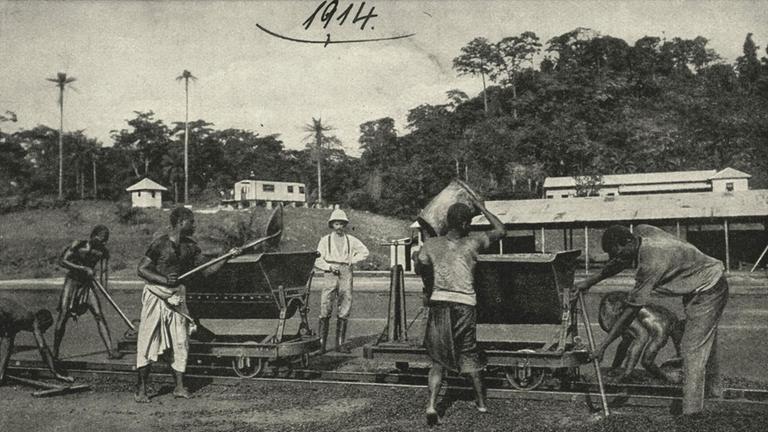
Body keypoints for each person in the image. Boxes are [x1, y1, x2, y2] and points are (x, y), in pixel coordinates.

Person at [574, 224, 728, 415]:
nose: (616, 259)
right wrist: (590, 282)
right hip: (699, 283)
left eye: (617, 253)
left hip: (709, 290)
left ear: (628, 241)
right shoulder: (642, 232)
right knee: (704, 345)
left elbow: (630, 311)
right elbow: (619, 261)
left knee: (691, 350)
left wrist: (603, 346)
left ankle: (692, 414)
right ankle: (713, 394)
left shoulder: (650, 264)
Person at [415, 197, 506, 425]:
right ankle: (482, 404)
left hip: (439, 304)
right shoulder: (473, 242)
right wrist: (482, 207)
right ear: (466, 224)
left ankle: (432, 405)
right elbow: (501, 230)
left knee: (438, 360)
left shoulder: (431, 244)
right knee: (469, 354)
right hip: (464, 305)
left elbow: (421, 265)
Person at [134, 207, 241, 403]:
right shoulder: (160, 244)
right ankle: (141, 391)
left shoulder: (191, 247)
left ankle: (179, 387)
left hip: (178, 297)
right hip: (156, 296)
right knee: (147, 342)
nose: (194, 225)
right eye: (192, 222)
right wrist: (164, 279)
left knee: (181, 342)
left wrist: (226, 257)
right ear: (182, 222)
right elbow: (141, 269)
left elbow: (206, 271)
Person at [54, 224, 122, 360]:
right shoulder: (79, 245)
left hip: (87, 284)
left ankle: (110, 351)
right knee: (64, 313)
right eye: (102, 239)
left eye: (106, 240)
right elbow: (62, 261)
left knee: (99, 314)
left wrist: (104, 288)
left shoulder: (103, 252)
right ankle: (55, 353)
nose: (104, 242)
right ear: (94, 236)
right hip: (72, 281)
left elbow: (103, 272)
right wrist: (83, 268)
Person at [314, 209, 369, 354]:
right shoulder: (325, 240)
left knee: (345, 303)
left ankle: (341, 344)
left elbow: (364, 251)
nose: (339, 227)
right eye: (336, 224)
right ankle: (321, 344)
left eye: (341, 224)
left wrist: (353, 260)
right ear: (332, 225)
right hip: (330, 272)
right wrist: (328, 267)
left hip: (346, 271)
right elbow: (317, 257)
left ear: (345, 225)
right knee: (326, 304)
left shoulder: (351, 240)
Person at [0, 298, 74, 384]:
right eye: (45, 328)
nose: (44, 332)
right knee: (7, 339)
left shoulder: (17, 321)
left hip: (3, 311)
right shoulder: (33, 320)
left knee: (8, 339)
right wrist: (56, 373)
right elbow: (43, 348)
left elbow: (6, 346)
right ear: (42, 322)